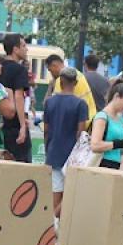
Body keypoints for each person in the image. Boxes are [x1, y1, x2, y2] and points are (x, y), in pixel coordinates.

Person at [43, 69, 90, 217]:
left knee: (55, 194)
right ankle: (61, 226)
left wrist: (48, 149)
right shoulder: (81, 104)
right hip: (73, 157)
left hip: (54, 153)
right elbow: (81, 133)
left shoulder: (49, 102)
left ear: (60, 82)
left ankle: (52, 224)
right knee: (71, 195)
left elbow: (46, 130)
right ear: (75, 83)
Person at [90, 82, 123, 170]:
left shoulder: (120, 119)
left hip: (115, 164)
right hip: (101, 165)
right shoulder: (102, 117)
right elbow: (95, 146)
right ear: (116, 96)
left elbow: (118, 149)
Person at [0, 34, 33, 162]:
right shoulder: (19, 70)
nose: (26, 49)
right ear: (15, 49)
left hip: (0, 125)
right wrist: (23, 125)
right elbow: (19, 96)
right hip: (15, 127)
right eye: (23, 45)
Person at [45, 54, 98, 120]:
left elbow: (52, 106)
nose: (51, 73)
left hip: (77, 122)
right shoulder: (79, 74)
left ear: (54, 65)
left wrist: (50, 87)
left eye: (50, 70)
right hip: (90, 119)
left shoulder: (61, 79)